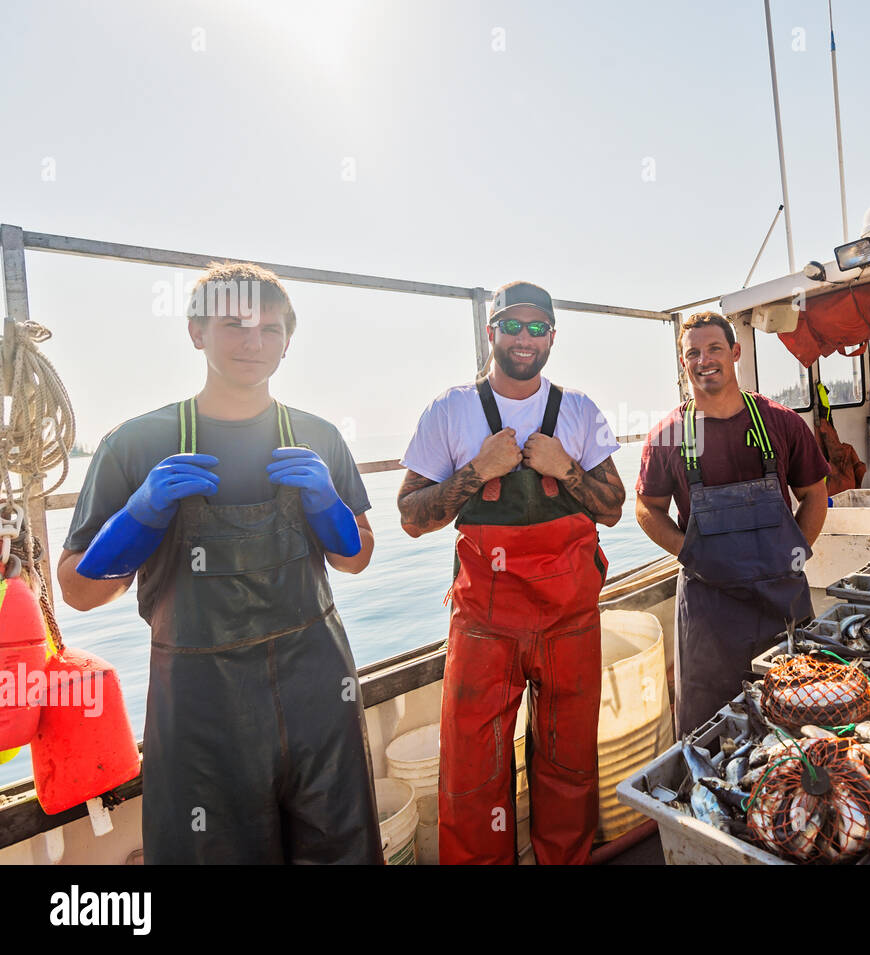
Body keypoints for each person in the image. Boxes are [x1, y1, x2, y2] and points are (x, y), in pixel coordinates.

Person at [58, 262, 382, 864]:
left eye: (271, 329)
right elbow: (77, 589)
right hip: (201, 706)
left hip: (318, 689)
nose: (253, 343)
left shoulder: (318, 436)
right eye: (233, 325)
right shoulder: (135, 444)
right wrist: (139, 515)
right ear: (195, 332)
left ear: (289, 341)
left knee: (342, 848)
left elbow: (356, 558)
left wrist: (328, 504)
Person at [397, 280, 624, 865]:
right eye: (512, 326)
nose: (525, 339)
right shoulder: (448, 411)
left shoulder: (580, 411)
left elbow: (613, 508)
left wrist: (565, 467)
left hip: (570, 619)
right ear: (490, 330)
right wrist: (477, 469)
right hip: (483, 625)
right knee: (472, 776)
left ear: (552, 336)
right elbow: (411, 518)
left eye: (537, 327)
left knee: (569, 764)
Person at [636, 312, 829, 736]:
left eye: (714, 349)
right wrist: (689, 552)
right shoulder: (668, 434)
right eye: (693, 353)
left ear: (735, 352)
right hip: (709, 607)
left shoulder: (780, 422)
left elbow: (815, 493)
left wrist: (794, 552)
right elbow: (647, 507)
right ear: (683, 363)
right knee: (712, 727)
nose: (704, 360)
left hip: (783, 599)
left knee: (799, 708)